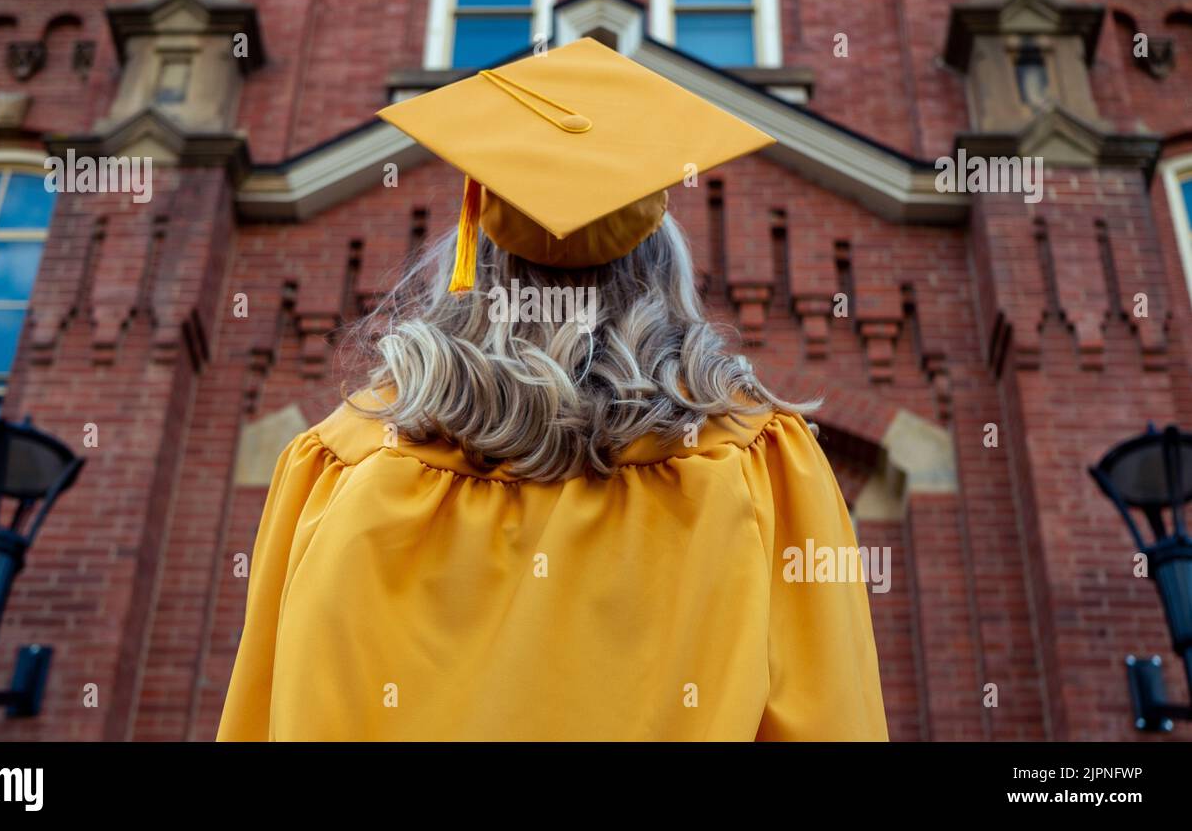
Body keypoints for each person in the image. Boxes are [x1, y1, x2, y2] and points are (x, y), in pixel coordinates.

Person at [217, 38, 888, 741]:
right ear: (663, 274)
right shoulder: (761, 469)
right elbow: (831, 719)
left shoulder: (338, 468)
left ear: (473, 262)